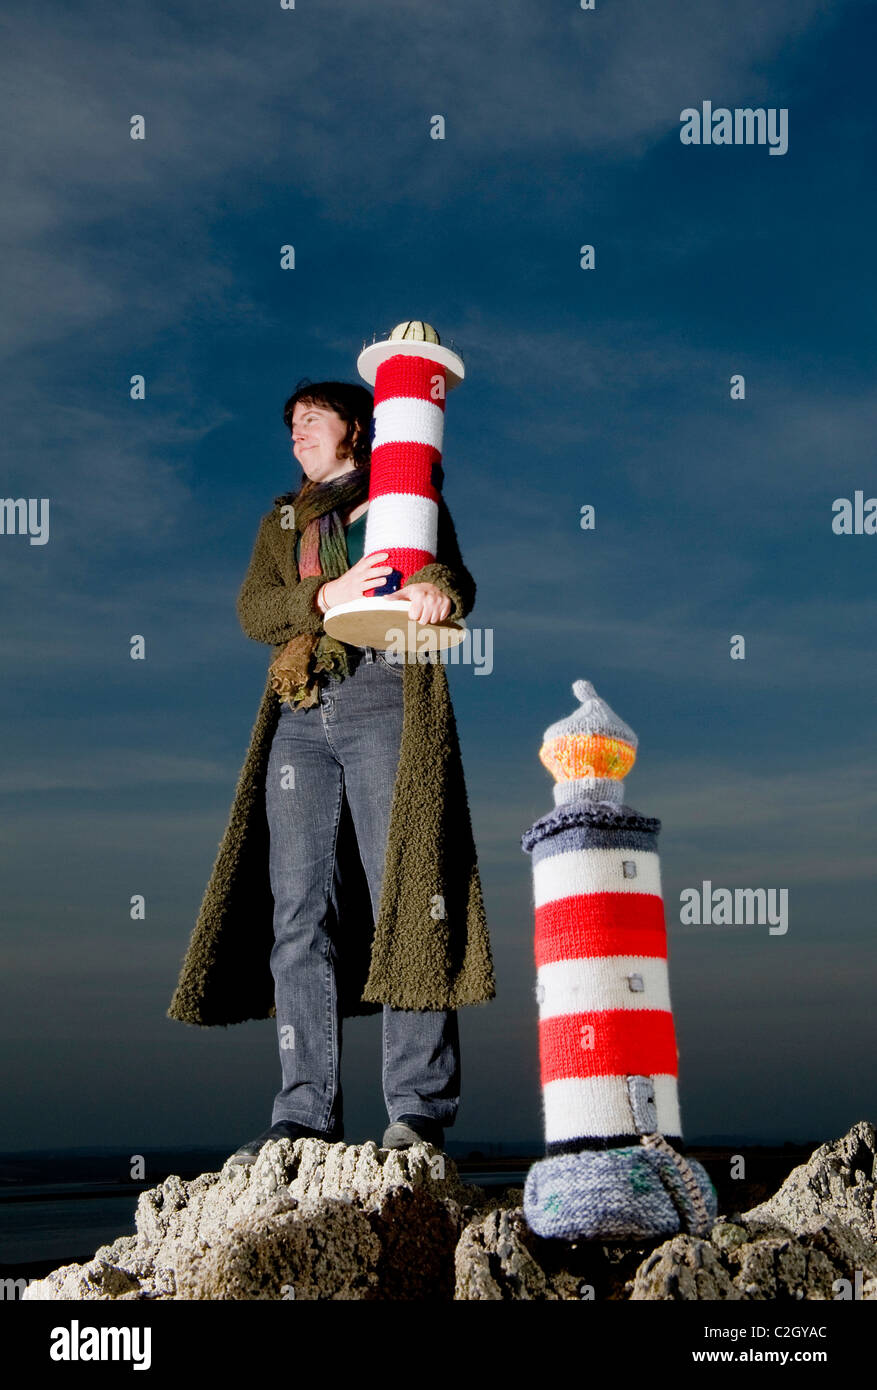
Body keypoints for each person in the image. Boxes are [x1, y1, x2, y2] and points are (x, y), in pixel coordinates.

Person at [166, 378, 495, 1162]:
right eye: (290, 426)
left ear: (355, 426)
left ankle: (417, 1112)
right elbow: (255, 608)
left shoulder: (408, 499)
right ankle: (304, 1114)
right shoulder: (283, 518)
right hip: (299, 703)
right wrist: (326, 594)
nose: (297, 435)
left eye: (312, 421)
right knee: (297, 912)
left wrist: (434, 593)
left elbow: (455, 579)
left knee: (410, 895)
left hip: (386, 689)